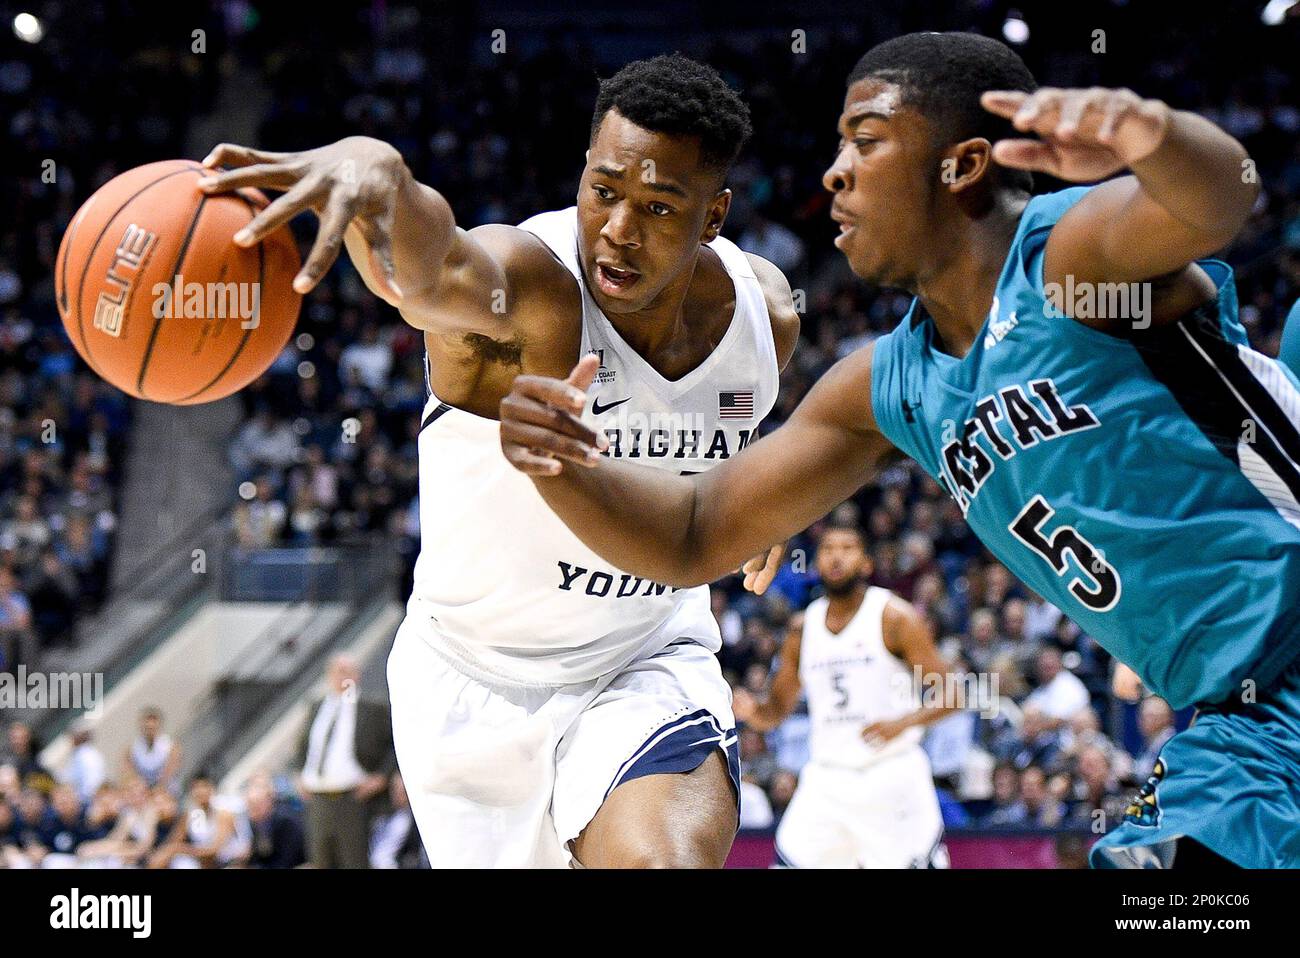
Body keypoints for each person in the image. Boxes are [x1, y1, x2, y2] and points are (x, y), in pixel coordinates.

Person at [498, 32, 1298, 869]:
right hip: (1243, 723)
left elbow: (1215, 201)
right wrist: (559, 463)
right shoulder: (887, 387)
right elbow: (694, 535)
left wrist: (1153, 136)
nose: (834, 171)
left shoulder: (1066, 259)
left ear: (962, 167)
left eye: (865, 140)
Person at [200, 54, 799, 868]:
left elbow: (733, 416)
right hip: (473, 683)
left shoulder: (764, 314)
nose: (619, 228)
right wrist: (386, 183)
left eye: (659, 208)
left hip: (643, 657)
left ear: (715, 216)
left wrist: (748, 494)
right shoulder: (531, 291)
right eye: (605, 190)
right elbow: (436, 270)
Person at [733, 524, 953, 867]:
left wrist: (902, 724)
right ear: (817, 562)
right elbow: (775, 712)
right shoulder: (802, 628)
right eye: (828, 549)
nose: (837, 556)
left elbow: (952, 693)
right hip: (828, 777)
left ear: (866, 563)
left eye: (848, 548)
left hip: (890, 771)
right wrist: (750, 711)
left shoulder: (894, 617)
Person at [294, 655, 393, 869]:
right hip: (317, 798)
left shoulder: (372, 707)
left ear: (356, 675)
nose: (342, 676)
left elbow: (393, 747)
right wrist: (298, 774)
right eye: (338, 671)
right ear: (329, 675)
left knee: (353, 861)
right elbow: (303, 746)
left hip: (353, 798)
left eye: (347, 671)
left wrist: (382, 777)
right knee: (320, 861)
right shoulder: (317, 706)